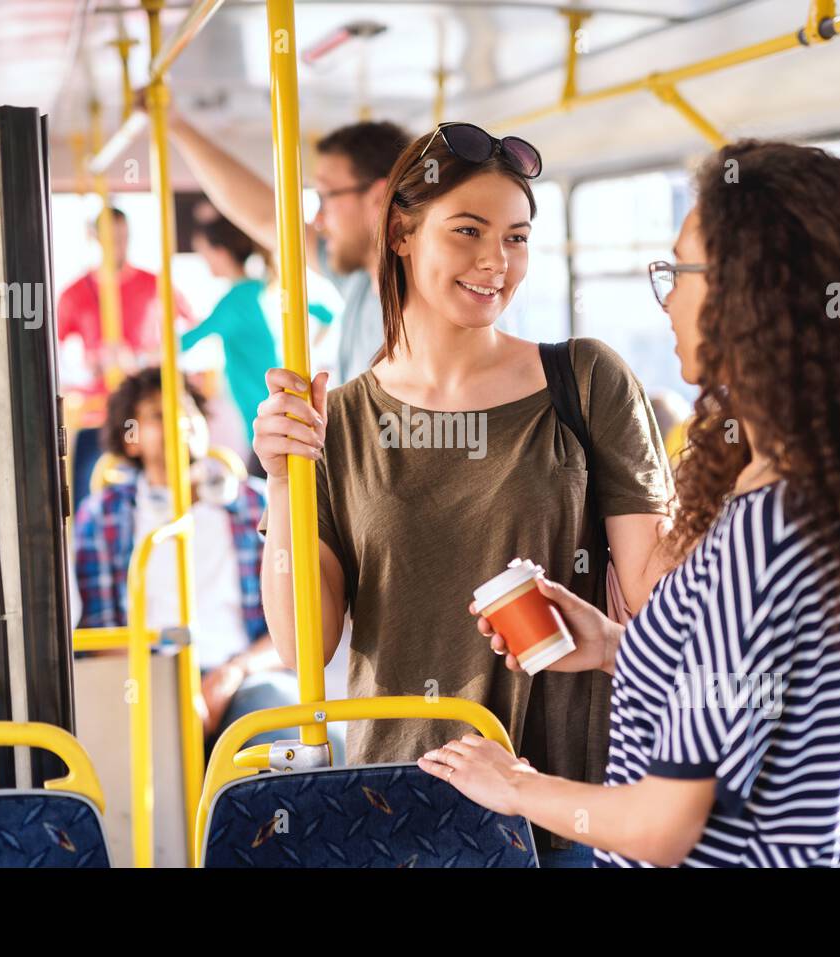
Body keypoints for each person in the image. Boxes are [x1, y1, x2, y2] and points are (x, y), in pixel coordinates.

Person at [418, 140, 840, 867]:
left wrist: (517, 786)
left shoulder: (763, 535)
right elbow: (757, 694)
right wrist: (613, 646)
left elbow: (665, 825)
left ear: (749, 295)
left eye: (679, 272)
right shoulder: (818, 501)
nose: (667, 301)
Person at [251, 122, 677, 867]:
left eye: (516, 238)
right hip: (397, 803)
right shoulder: (335, 421)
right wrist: (284, 477)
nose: (496, 262)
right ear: (402, 233)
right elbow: (302, 646)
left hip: (562, 803)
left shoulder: (586, 382)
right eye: (469, 231)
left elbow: (661, 600)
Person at [73, 367, 342, 758]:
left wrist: (234, 672)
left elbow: (295, 626)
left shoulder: (252, 503)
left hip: (242, 675)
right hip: (146, 678)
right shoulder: (104, 516)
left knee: (307, 739)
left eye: (187, 411)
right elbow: (100, 632)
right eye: (158, 416)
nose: (179, 422)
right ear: (131, 441)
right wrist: (174, 686)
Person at [166, 111, 411, 383]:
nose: (317, 220)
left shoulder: (420, 310)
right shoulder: (360, 281)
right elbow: (268, 217)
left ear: (378, 197)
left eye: (326, 197)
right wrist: (176, 124)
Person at [57, 207, 195, 510]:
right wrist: (92, 364)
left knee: (161, 499)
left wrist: (146, 359)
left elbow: (190, 337)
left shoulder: (155, 285)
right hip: (98, 413)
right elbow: (60, 358)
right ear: (93, 238)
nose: (119, 245)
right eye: (111, 238)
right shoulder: (74, 294)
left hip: (145, 412)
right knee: (88, 501)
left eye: (123, 237)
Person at [182, 215, 336, 466]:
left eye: (204, 252)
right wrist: (311, 349)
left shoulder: (234, 301)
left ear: (220, 252)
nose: (204, 261)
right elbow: (328, 315)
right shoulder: (269, 287)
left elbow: (183, 343)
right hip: (287, 411)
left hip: (265, 421)